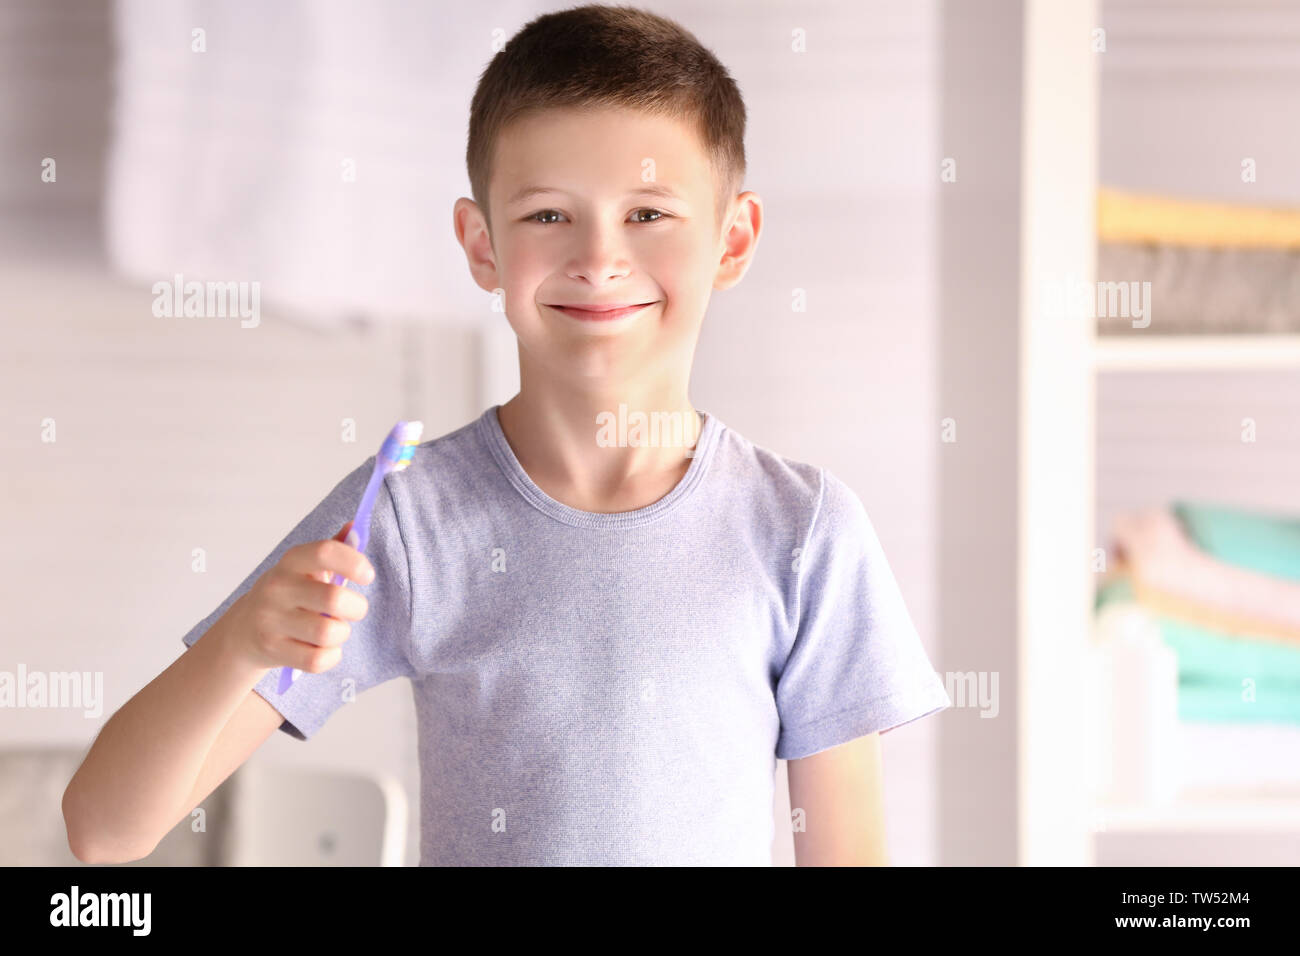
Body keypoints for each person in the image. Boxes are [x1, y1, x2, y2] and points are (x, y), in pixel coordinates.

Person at [63, 3, 950, 867]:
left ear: (733, 238)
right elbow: (105, 832)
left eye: (647, 214)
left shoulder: (804, 533)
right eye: (547, 215)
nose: (599, 258)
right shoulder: (410, 519)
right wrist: (239, 644)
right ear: (481, 245)